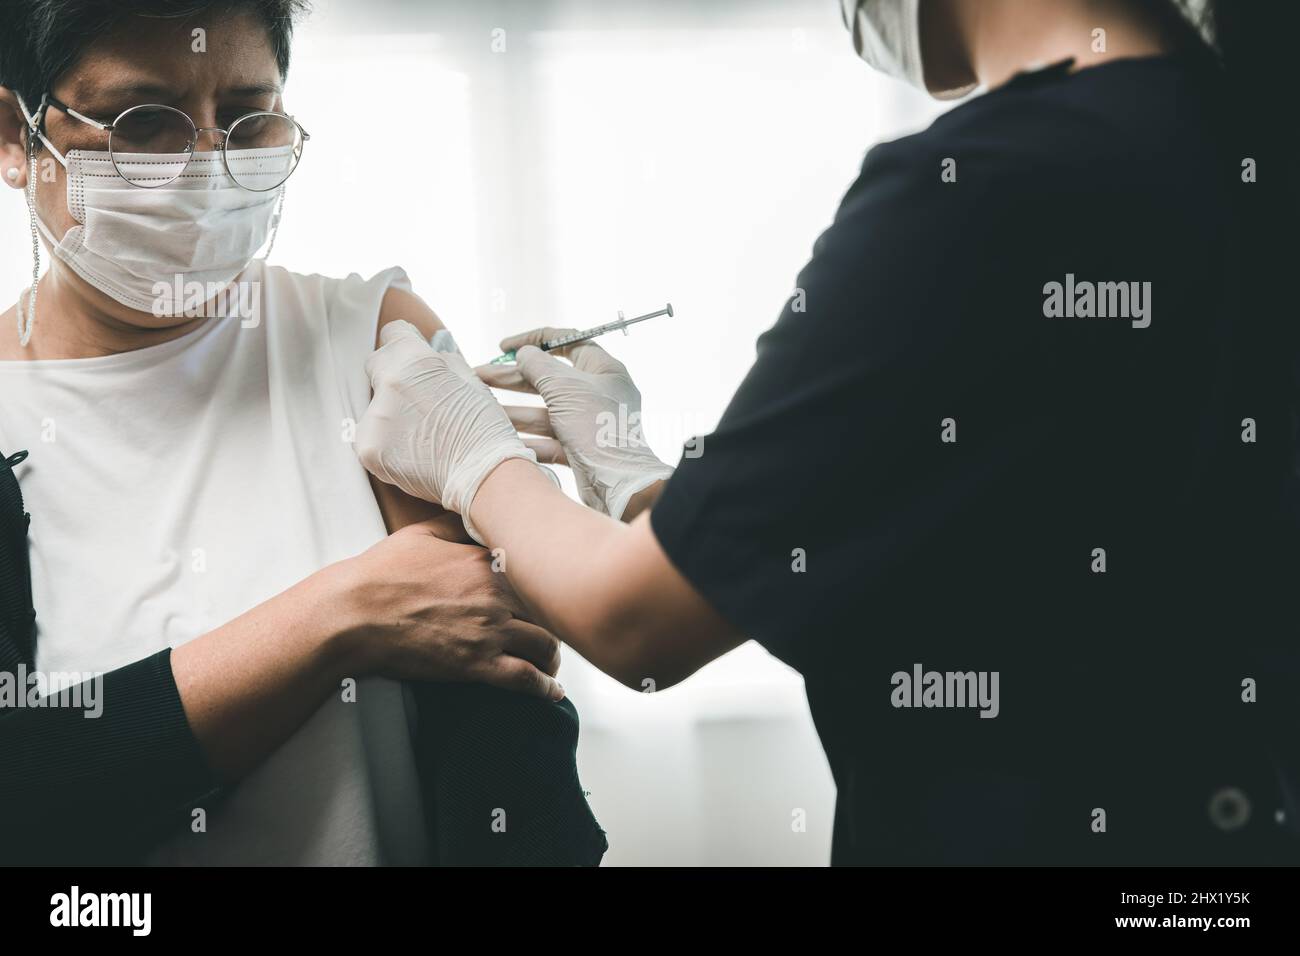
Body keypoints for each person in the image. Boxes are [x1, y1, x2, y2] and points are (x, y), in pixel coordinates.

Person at [358, 0, 1300, 864]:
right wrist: (632, 474)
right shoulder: (1236, 139)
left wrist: (472, 453)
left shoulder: (984, 188)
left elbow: (637, 624)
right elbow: (915, 560)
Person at [0, 0, 603, 866]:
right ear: (14, 136)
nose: (206, 166)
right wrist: (345, 612)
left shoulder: (367, 339)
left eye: (248, 121)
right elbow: (21, 794)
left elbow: (505, 727)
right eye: (144, 122)